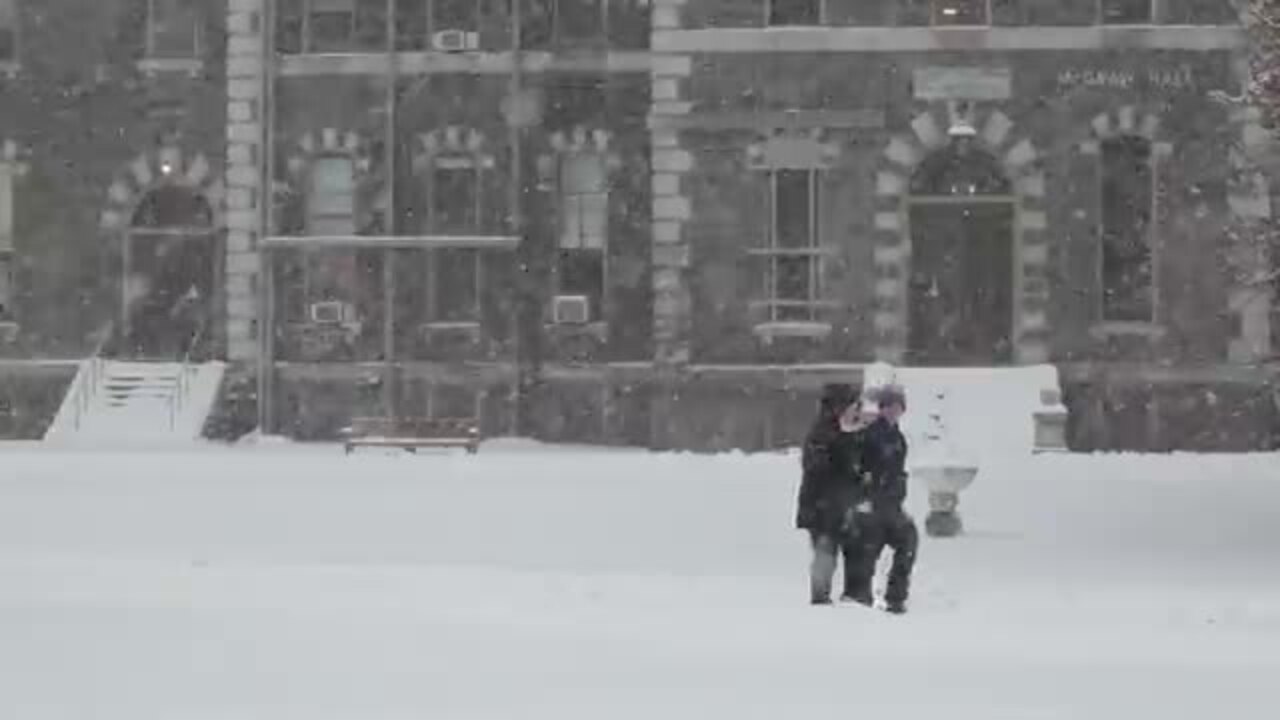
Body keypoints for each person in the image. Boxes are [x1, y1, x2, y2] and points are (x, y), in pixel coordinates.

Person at [845, 385, 918, 614]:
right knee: (867, 553)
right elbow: (858, 469)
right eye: (889, 406)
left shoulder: (898, 438)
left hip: (892, 505)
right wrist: (862, 496)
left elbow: (897, 470)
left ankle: (896, 597)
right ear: (882, 408)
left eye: (897, 407)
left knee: (907, 542)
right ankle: (859, 597)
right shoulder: (869, 435)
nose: (894, 411)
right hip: (872, 505)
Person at [796, 383, 869, 605]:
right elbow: (818, 467)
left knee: (855, 551)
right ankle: (821, 596)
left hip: (845, 503)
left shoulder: (856, 432)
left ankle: (854, 594)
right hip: (823, 506)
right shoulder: (822, 433)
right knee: (825, 552)